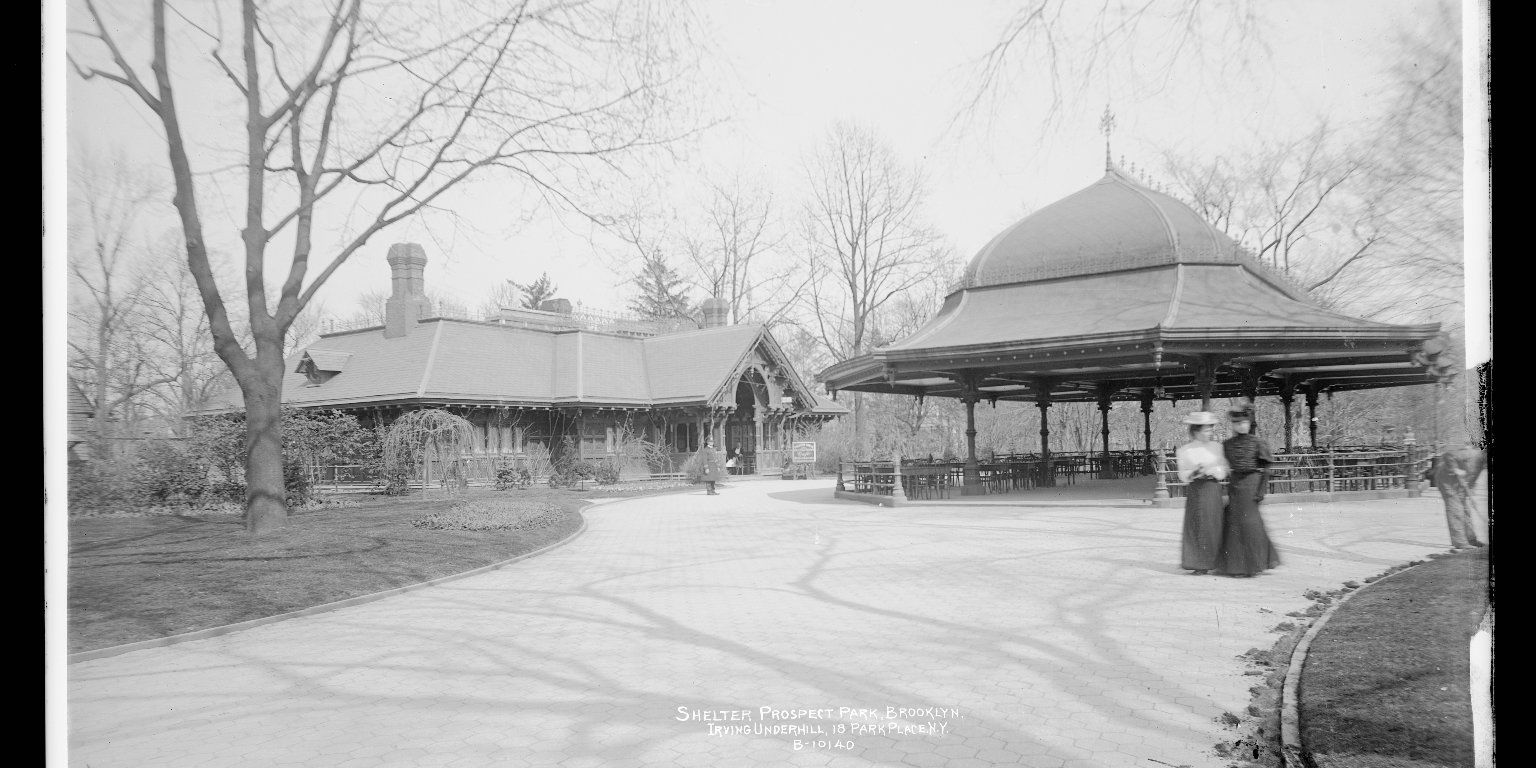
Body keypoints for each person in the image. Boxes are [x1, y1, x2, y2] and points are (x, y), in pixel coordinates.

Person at [1214, 404, 1281, 577]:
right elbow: (1225, 466)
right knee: (1234, 523)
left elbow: (1266, 469)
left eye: (1244, 422)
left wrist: (1261, 490)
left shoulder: (1258, 443)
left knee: (1251, 523)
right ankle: (1237, 566)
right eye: (1237, 422)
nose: (1241, 425)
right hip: (1235, 484)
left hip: (1252, 483)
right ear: (1233, 424)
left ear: (1250, 422)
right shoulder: (1227, 444)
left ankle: (1255, 563)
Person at [1176, 412, 1229, 574]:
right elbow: (1182, 473)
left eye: (1211, 430)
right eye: (1206, 430)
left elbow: (1225, 469)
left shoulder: (1218, 448)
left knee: (1214, 524)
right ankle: (1199, 564)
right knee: (1197, 525)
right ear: (1196, 431)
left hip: (1212, 488)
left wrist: (1212, 470)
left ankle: (1216, 562)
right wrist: (1193, 473)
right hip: (1196, 490)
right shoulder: (1184, 451)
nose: (1210, 433)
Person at [1434, 444, 1487, 550]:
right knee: (1456, 511)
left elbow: (1472, 476)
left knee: (1466, 511)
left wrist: (1470, 490)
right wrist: (1455, 469)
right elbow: (1447, 454)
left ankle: (1471, 539)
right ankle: (1460, 542)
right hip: (1447, 481)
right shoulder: (1473, 454)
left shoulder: (1482, 463)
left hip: (1461, 484)